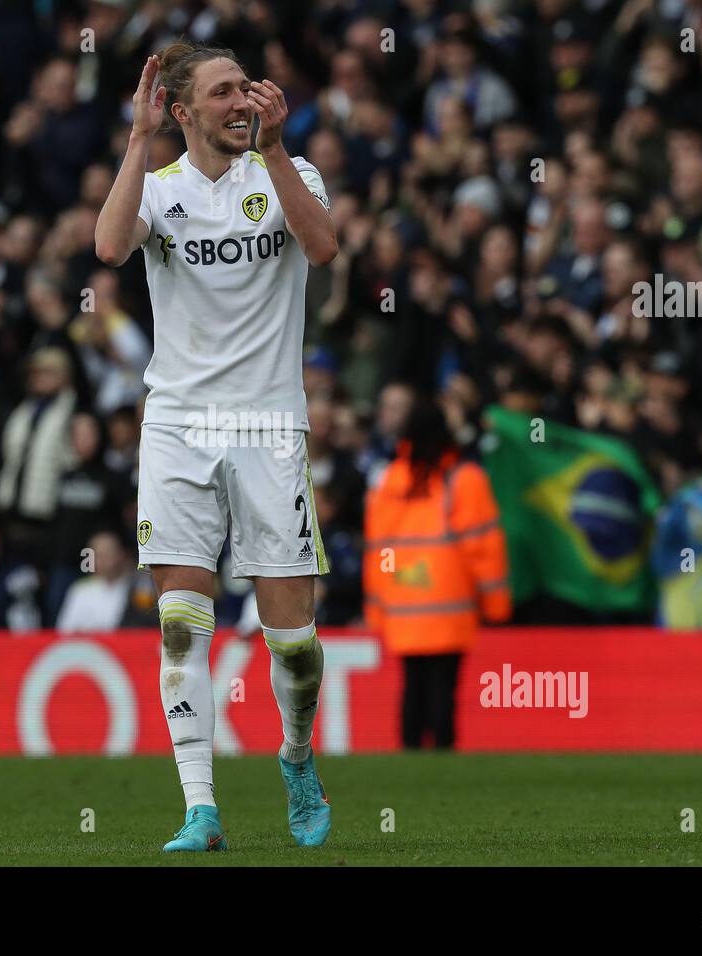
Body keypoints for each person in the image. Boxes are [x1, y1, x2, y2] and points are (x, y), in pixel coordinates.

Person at [94, 42, 338, 852]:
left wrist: (272, 149)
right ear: (183, 111)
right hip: (177, 423)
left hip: (269, 424)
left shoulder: (288, 171)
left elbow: (324, 249)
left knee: (293, 644)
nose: (242, 99)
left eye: (247, 87)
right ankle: (200, 806)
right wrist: (135, 141)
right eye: (223, 91)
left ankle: (296, 755)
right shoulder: (159, 192)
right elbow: (108, 248)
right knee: (178, 624)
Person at [363, 399, 510, 749]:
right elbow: (484, 550)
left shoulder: (390, 480)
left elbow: (377, 550)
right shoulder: (465, 478)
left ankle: (410, 766)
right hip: (450, 607)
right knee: (444, 691)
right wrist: (497, 606)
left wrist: (376, 608)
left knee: (412, 687)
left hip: (403, 606)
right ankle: (444, 765)